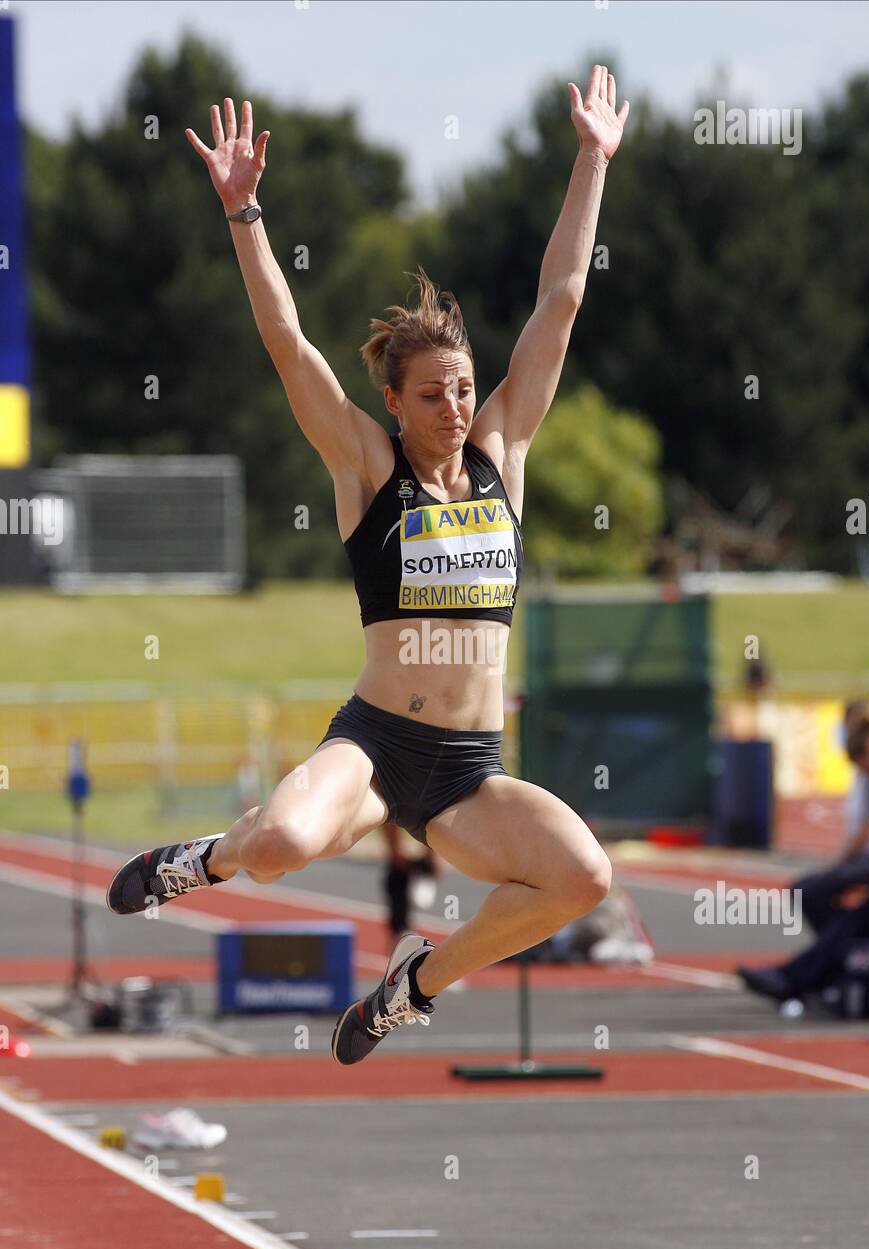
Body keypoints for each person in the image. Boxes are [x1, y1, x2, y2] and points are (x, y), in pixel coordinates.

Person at [107, 70, 628, 1064]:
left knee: (582, 878)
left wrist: (592, 158)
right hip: (379, 740)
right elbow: (286, 341)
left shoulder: (500, 456)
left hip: (470, 771)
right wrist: (244, 211)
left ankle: (415, 983)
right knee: (280, 848)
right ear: (393, 401)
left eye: (463, 388)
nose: (452, 406)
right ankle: (198, 861)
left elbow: (559, 301)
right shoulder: (365, 465)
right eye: (432, 393)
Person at [738, 715, 869, 1002]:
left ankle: (803, 975)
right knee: (846, 917)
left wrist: (843, 865)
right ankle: (824, 969)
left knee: (839, 908)